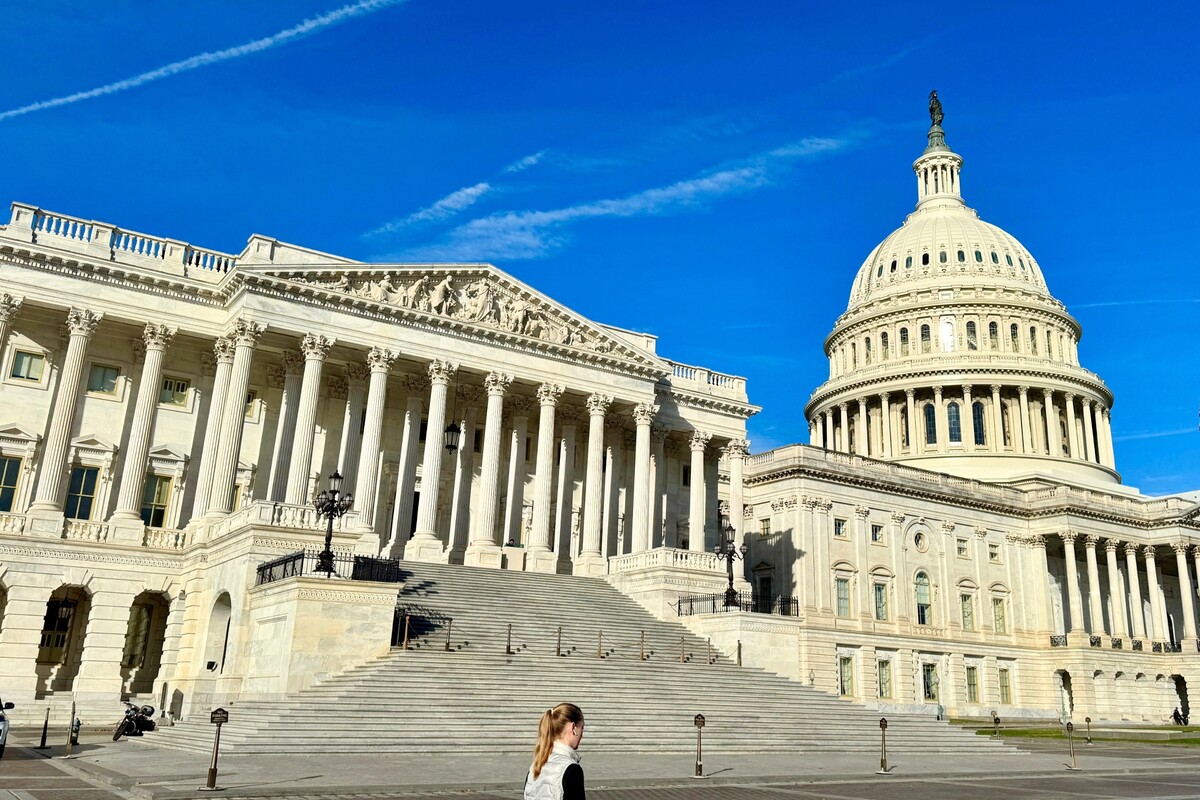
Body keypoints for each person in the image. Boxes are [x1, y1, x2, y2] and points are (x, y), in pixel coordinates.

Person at [524, 703, 585, 800]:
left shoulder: (535, 766)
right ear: (573, 727)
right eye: (582, 728)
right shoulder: (571, 769)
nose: (582, 734)